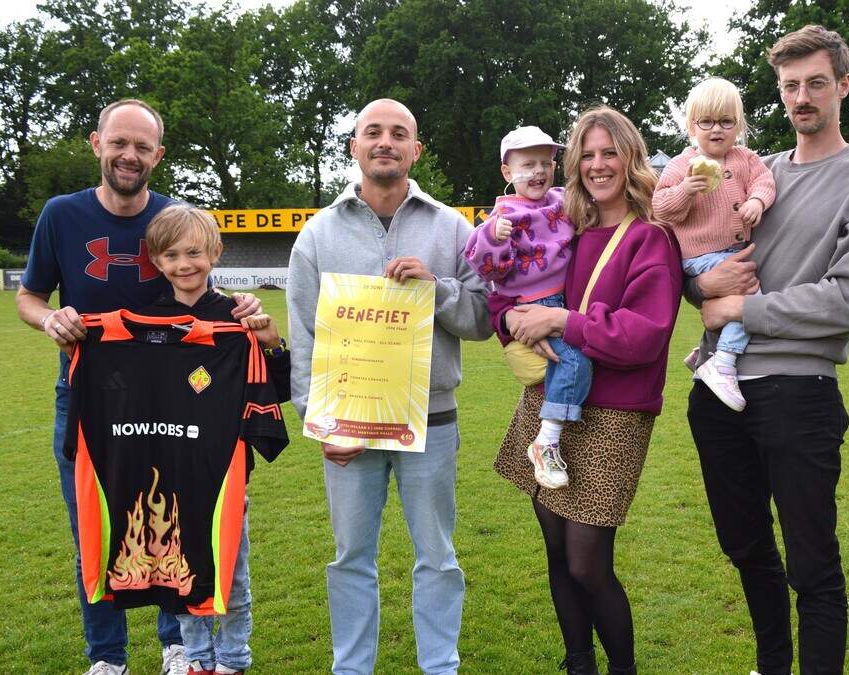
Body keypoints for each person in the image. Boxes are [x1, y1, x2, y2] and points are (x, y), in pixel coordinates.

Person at [685, 25, 849, 675]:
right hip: (718, 389)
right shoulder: (756, 170)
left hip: (798, 393)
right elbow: (695, 248)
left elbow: (846, 299)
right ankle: (772, 664)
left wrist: (740, 308)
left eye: (814, 83)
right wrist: (700, 287)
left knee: (812, 563)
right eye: (789, 86)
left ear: (843, 85)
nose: (801, 97)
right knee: (745, 546)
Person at [15, 99, 258, 675]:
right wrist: (49, 319)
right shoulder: (61, 215)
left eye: (142, 146)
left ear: (158, 155)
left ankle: (178, 645)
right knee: (95, 525)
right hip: (88, 396)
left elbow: (200, 297)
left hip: (173, 399)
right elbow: (29, 295)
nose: (129, 155)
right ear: (97, 144)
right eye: (119, 142)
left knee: (175, 515)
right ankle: (107, 656)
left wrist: (243, 311)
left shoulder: (175, 216)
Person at [286, 98, 492, 675]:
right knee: (351, 557)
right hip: (346, 424)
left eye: (398, 133)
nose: (385, 141)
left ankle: (440, 666)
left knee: (437, 557)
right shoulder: (318, 233)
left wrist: (438, 289)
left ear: (415, 150)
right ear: (354, 146)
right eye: (372, 132)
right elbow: (303, 334)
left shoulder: (452, 227)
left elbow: (481, 320)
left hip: (431, 419)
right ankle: (351, 668)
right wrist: (318, 419)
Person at [491, 106, 683, 675]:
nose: (599, 165)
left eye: (610, 152)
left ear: (631, 158)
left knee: (586, 564)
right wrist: (514, 322)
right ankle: (579, 664)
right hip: (549, 404)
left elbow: (643, 337)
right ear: (575, 163)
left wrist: (561, 323)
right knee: (555, 549)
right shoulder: (563, 229)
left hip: (615, 415)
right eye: (589, 154)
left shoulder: (651, 238)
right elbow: (513, 293)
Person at [137, 203, 289, 675]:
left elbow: (278, 383)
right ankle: (197, 659)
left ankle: (234, 659)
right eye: (172, 256)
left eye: (195, 253)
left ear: (215, 253)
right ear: (157, 261)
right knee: (181, 569)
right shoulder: (142, 320)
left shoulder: (236, 315)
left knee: (232, 573)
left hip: (225, 471)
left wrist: (267, 340)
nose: (185, 264)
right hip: (168, 467)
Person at [465, 125, 587, 489]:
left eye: (545, 163)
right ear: (506, 172)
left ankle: (550, 431)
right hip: (531, 304)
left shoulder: (561, 200)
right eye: (527, 164)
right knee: (574, 362)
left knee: (571, 362)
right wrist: (493, 239)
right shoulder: (503, 217)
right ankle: (546, 439)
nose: (537, 172)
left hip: (563, 301)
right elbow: (490, 270)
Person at [652, 76, 777, 411]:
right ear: (693, 126)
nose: (716, 129)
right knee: (749, 295)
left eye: (726, 121)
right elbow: (661, 208)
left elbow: (765, 182)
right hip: (699, 255)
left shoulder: (746, 158)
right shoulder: (681, 165)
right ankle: (723, 361)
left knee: (735, 296)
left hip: (731, 250)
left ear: (738, 125)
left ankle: (705, 352)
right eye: (706, 122)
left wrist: (757, 203)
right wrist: (685, 191)